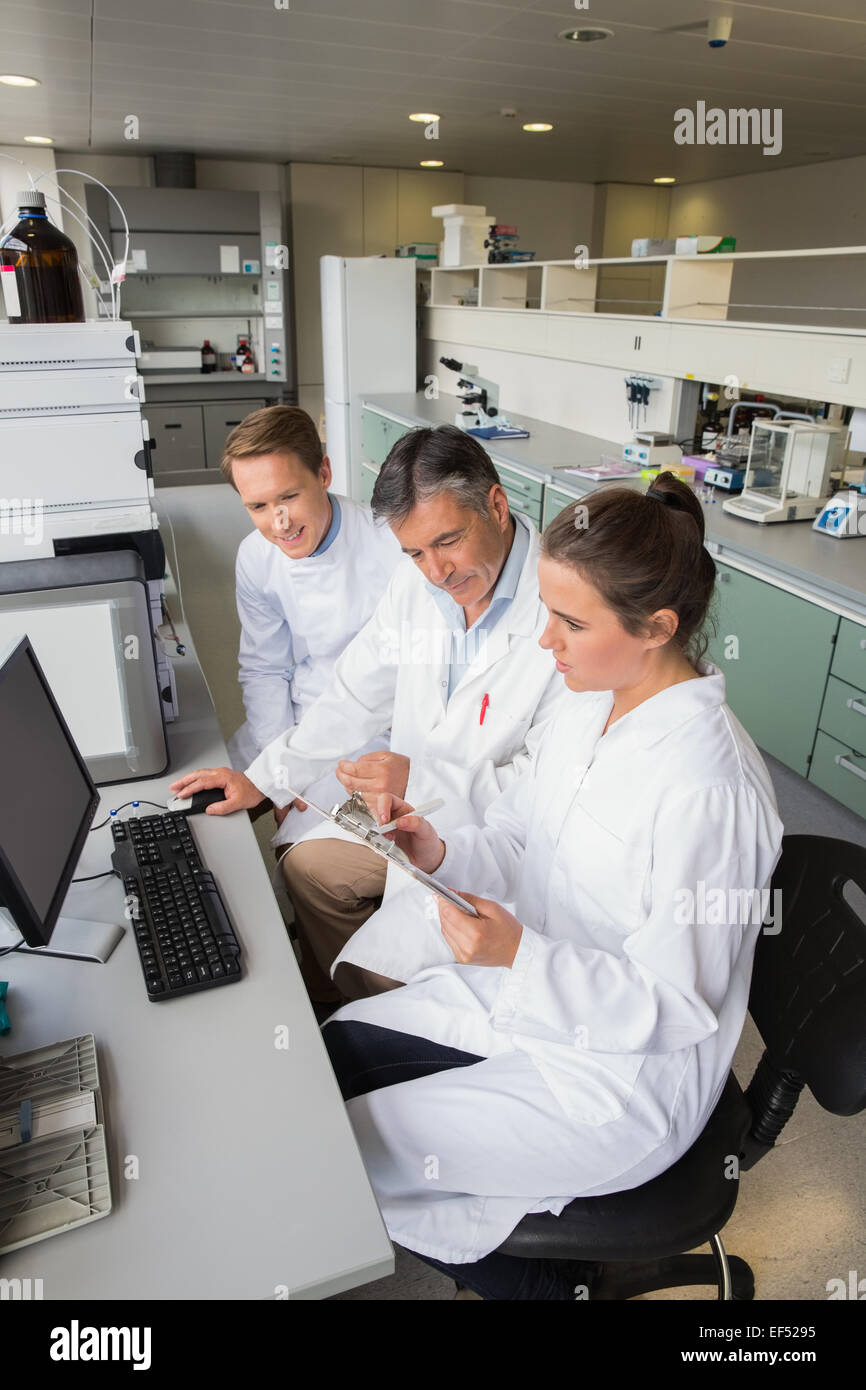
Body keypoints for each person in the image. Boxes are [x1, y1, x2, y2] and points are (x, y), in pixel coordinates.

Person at [318, 472, 785, 1301]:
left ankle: (544, 1287)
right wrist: (439, 851)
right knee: (331, 1055)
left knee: (345, 1151)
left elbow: (677, 1004)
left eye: (570, 623)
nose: (547, 644)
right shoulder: (589, 702)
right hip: (534, 1004)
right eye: (547, 614)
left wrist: (521, 956)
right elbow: (524, 837)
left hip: (621, 1081)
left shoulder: (711, 789)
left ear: (657, 628)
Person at [170, 425, 567, 1003]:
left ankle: (387, 1017)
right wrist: (263, 780)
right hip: (412, 813)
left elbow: (550, 785)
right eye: (414, 552)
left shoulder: (560, 607)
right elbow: (353, 694)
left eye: (448, 542)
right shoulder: (417, 583)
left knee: (420, 976)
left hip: (496, 842)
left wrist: (420, 780)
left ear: (498, 507)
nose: (436, 572)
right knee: (309, 870)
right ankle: (354, 1009)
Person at [220, 405, 402, 844]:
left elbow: (383, 694)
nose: (278, 523)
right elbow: (265, 667)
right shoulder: (255, 557)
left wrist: (289, 776)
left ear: (324, 472)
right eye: (258, 506)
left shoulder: (392, 545)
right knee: (206, 812)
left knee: (305, 852)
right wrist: (276, 758)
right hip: (292, 711)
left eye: (288, 497)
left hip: (373, 729)